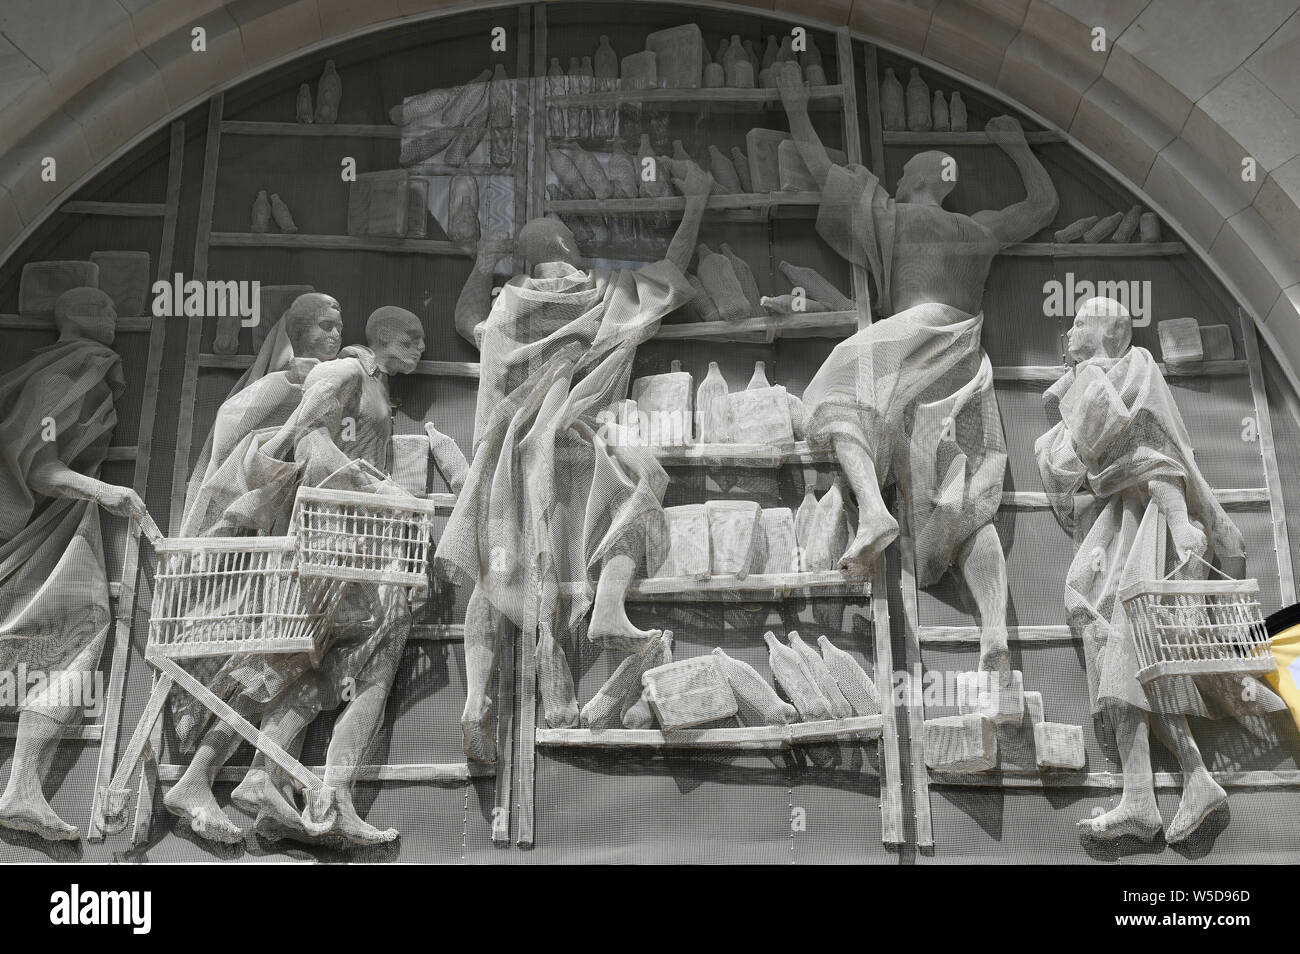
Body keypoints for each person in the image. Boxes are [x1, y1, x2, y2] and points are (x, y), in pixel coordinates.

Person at [776, 60, 1058, 672]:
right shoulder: (979, 229)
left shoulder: (896, 217)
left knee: (832, 388)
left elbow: (823, 171)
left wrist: (795, 105)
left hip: (912, 341)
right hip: (963, 361)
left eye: (902, 173)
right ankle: (992, 628)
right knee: (964, 498)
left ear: (913, 181)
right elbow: (1043, 203)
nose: (896, 179)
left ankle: (874, 510)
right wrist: (1014, 146)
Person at [439, 162, 713, 762]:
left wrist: (484, 263)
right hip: (579, 449)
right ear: (569, 247)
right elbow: (674, 271)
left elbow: (467, 323)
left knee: (492, 568)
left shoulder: (509, 308)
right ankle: (597, 624)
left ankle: (477, 697)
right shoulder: (604, 293)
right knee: (633, 500)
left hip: (507, 461)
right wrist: (695, 203)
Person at [1036, 296, 1284, 843]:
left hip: (1154, 533)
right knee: (1130, 659)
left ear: (1110, 334)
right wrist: (1070, 388)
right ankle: (1172, 788)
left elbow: (1154, 453)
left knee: (1134, 655)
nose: (1069, 333)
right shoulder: (1095, 380)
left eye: (1079, 324)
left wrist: (1178, 521)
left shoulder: (1132, 374)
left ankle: (1153, 795)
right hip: (1123, 532)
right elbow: (1073, 464)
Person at [201, 306, 427, 845]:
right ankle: (301, 790)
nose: (419, 346)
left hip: (361, 539)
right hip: (333, 537)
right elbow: (306, 441)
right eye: (409, 336)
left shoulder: (375, 388)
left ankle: (273, 783)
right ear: (379, 336)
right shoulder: (346, 373)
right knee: (294, 661)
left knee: (312, 665)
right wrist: (383, 495)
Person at [162, 293, 344, 844]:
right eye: (327, 326)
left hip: (285, 560)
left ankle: (240, 780)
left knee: (284, 667)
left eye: (340, 327)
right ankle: (203, 780)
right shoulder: (288, 389)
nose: (336, 335)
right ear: (300, 330)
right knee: (265, 665)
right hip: (251, 561)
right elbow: (241, 455)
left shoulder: (318, 390)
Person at [0, 287, 155, 841]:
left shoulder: (71, 370)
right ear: (78, 315)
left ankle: (22, 788)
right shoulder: (71, 371)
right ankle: (20, 789)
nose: (117, 313)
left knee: (71, 640)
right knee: (81, 633)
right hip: (45, 529)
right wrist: (106, 492)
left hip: (61, 527)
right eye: (106, 306)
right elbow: (38, 468)